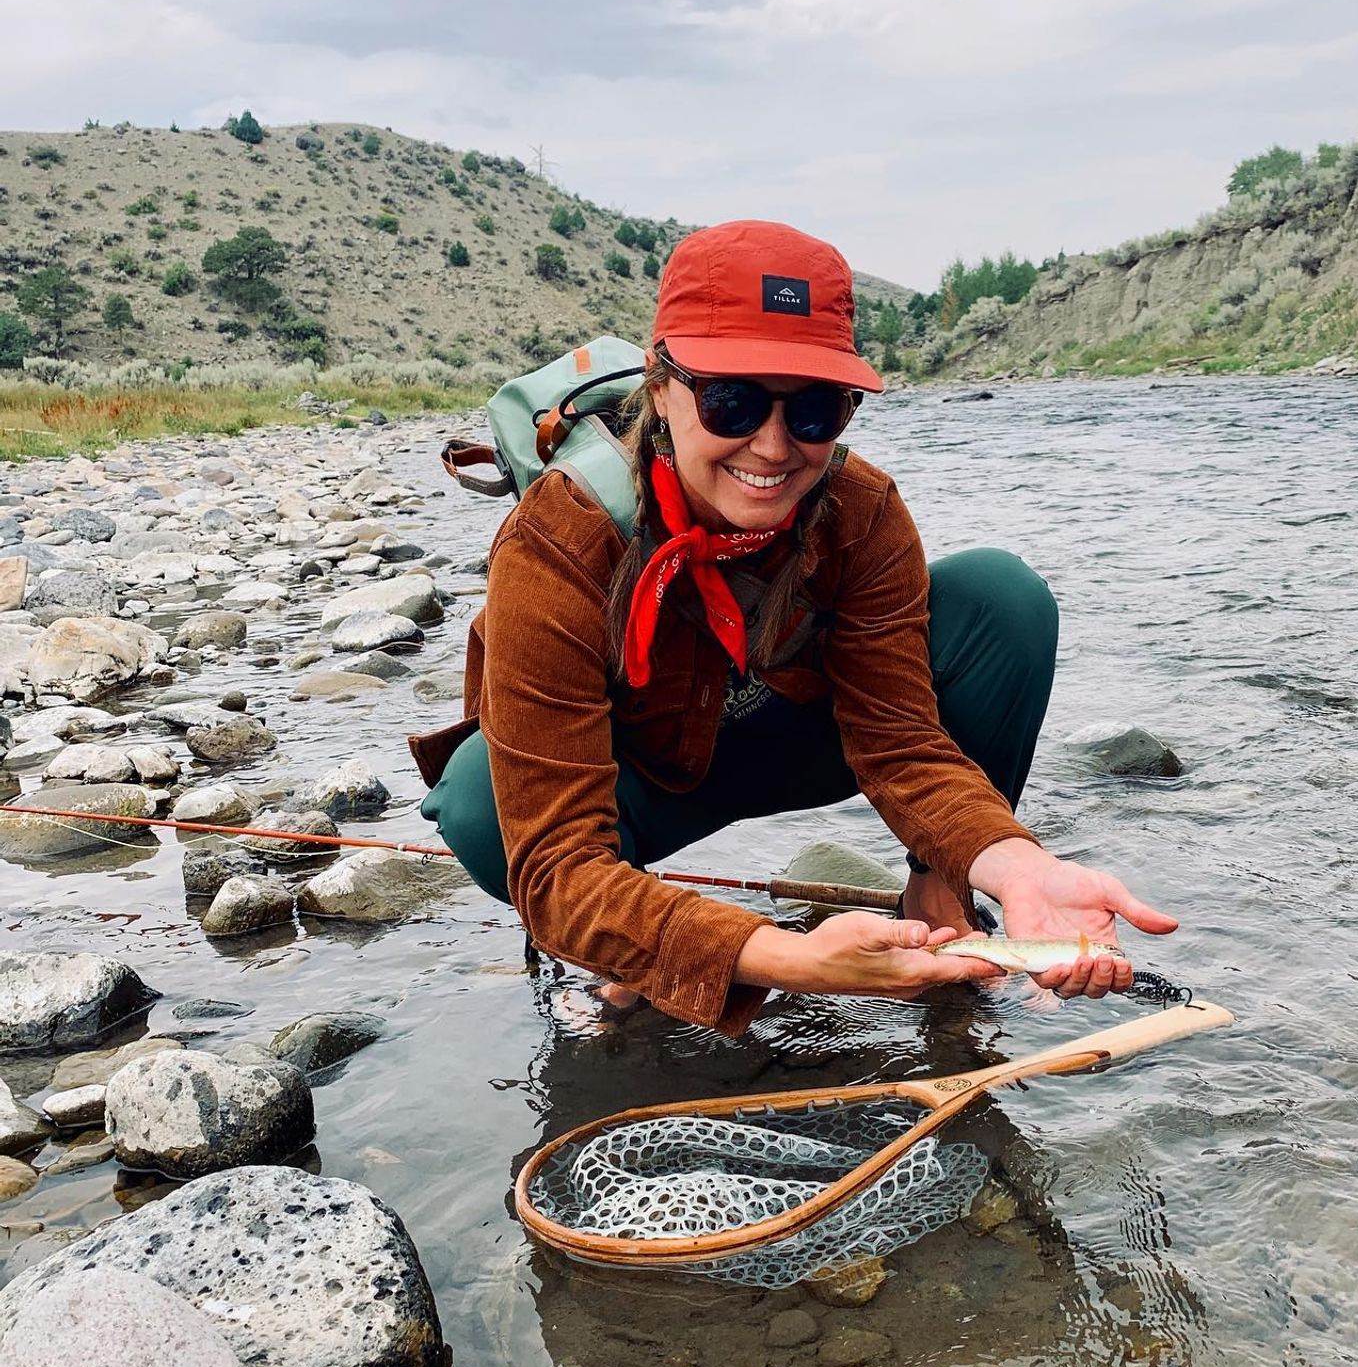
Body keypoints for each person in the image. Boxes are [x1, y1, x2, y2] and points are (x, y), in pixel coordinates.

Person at [411, 219, 1175, 1035]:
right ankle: (633, 951)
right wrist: (781, 956)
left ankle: (938, 886)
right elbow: (557, 862)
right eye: (733, 400)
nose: (774, 447)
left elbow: (902, 744)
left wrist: (1020, 865)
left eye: (815, 409)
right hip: (639, 782)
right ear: (663, 388)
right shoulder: (556, 544)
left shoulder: (861, 511)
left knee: (1000, 597)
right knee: (480, 804)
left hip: (798, 739)